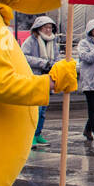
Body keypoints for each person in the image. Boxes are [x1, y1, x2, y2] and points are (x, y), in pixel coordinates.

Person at [22, 15, 61, 146]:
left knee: (43, 111)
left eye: (50, 27)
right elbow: (24, 57)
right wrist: (43, 63)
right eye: (46, 27)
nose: (48, 30)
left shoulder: (53, 42)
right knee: (35, 110)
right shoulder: (31, 41)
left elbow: (56, 58)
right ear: (39, 28)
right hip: (35, 79)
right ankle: (30, 136)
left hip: (48, 80)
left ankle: (38, 134)